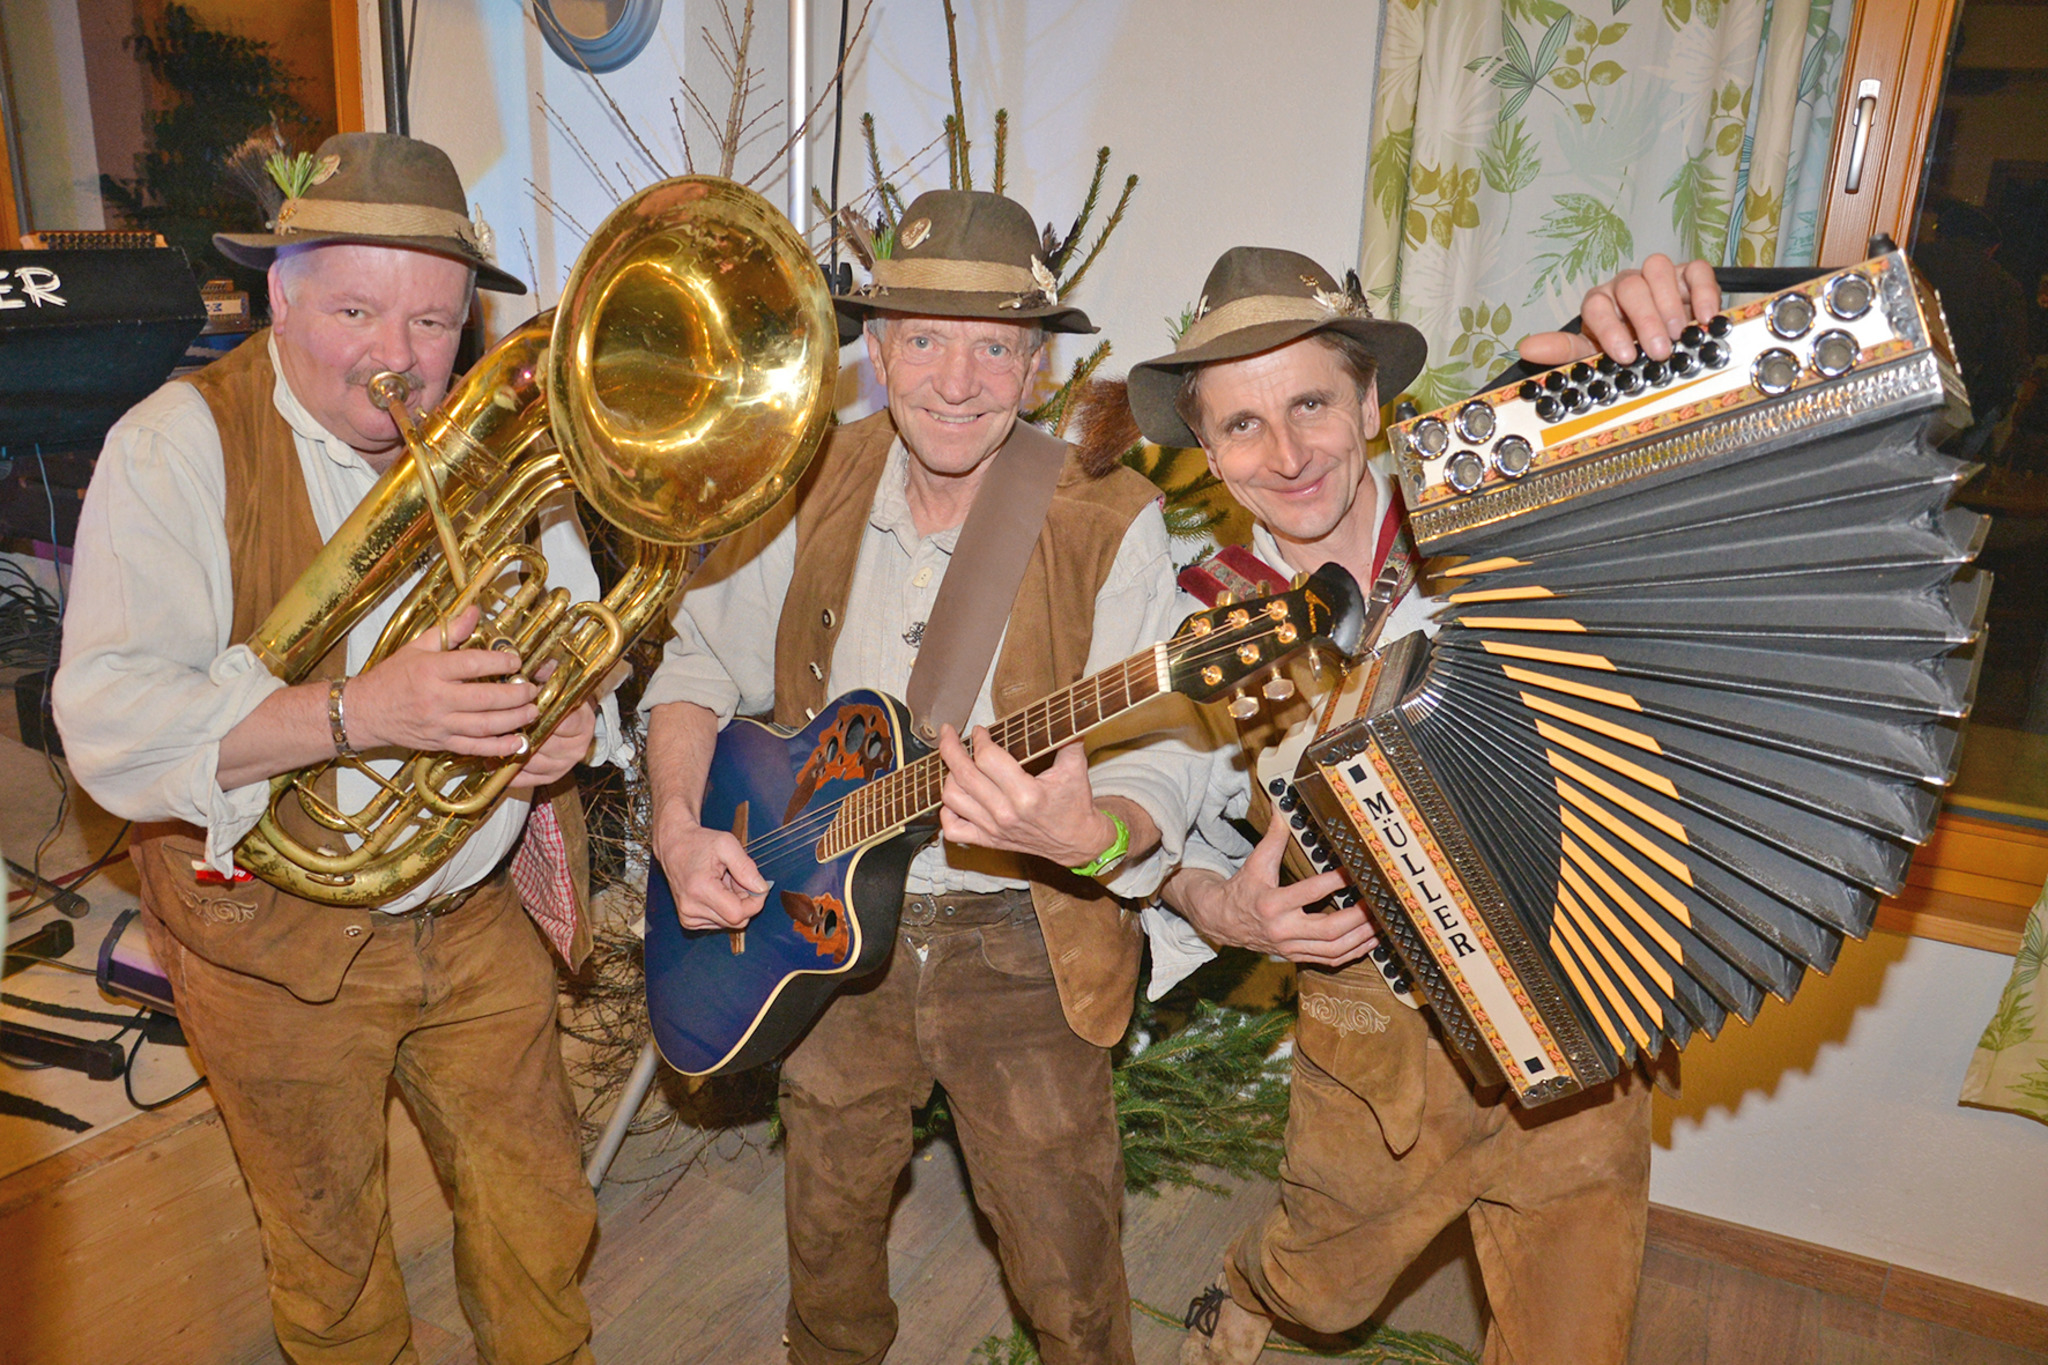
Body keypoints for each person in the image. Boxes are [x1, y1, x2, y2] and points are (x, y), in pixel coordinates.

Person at [54, 133, 610, 1365]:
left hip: (476, 921)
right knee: (331, 1260)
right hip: (275, 943)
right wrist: (362, 711)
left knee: (542, 1227)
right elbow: (108, 727)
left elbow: (576, 632)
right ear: (280, 300)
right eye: (356, 309)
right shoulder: (174, 447)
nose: (396, 359)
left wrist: (563, 723)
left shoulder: (492, 438)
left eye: (430, 321)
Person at [1124, 247, 1718, 1365]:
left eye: (1310, 402)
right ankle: (1249, 1281)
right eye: (1241, 425)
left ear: (1372, 401)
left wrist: (1656, 359)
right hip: (1374, 1055)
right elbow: (1143, 830)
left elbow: (1674, 515)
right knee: (1323, 1289)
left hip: (1580, 1016)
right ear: (1203, 448)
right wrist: (1219, 909)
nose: (1289, 453)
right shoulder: (1195, 624)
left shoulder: (1501, 516)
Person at [641, 188, 1201, 1365]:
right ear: (877, 351)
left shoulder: (1108, 518)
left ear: (1037, 364)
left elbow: (1159, 750)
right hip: (821, 934)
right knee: (829, 1242)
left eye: (993, 345)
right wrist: (681, 830)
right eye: (924, 339)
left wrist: (1084, 831)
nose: (957, 379)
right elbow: (693, 669)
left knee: (1069, 1274)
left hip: (1022, 945)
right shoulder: (800, 480)